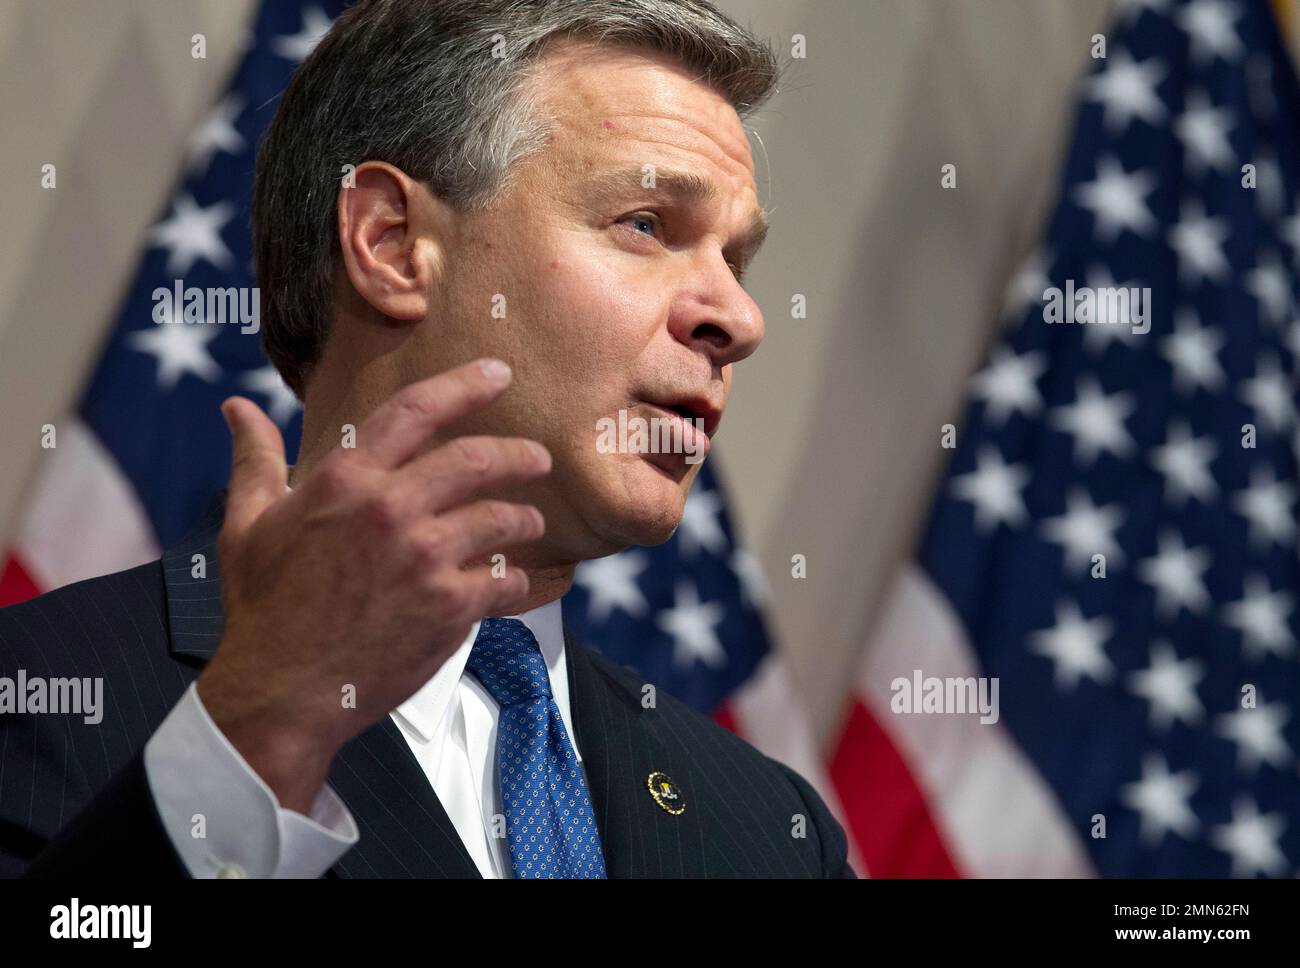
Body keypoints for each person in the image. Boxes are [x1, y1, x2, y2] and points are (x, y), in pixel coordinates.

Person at [0, 0, 854, 879]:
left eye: (735, 261)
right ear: (393, 243)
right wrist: (258, 736)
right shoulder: (42, 698)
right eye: (645, 224)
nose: (740, 319)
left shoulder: (771, 830)